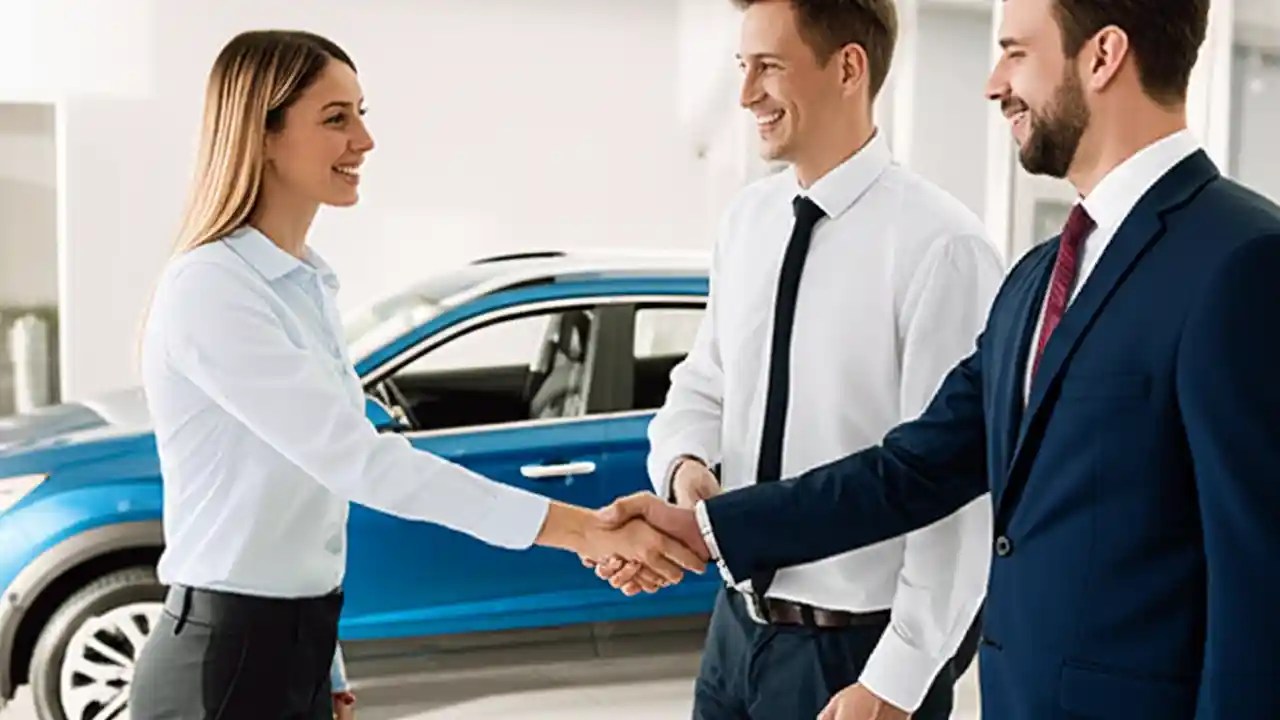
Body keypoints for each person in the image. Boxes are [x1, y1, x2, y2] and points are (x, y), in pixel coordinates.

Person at [600, 0, 1280, 717]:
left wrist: (902, 668)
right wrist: (707, 528)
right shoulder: (1038, 279)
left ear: (1103, 55)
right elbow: (911, 471)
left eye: (1015, 52)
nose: (993, 83)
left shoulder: (1242, 261)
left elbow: (1262, 592)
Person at [128, 30, 705, 720]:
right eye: (336, 118)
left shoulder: (301, 285)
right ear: (263, 134)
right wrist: (585, 530)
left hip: (291, 650)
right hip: (222, 671)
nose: (364, 140)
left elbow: (302, 505)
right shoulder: (213, 288)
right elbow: (358, 462)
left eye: (361, 113)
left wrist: (324, 661)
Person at [596, 1, 1002, 718]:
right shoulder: (746, 221)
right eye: (741, 67)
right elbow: (702, 383)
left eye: (770, 67)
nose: (746, 93)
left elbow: (955, 495)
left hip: (853, 654)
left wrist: (897, 679)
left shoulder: (944, 248)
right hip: (733, 636)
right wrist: (687, 469)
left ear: (849, 67)